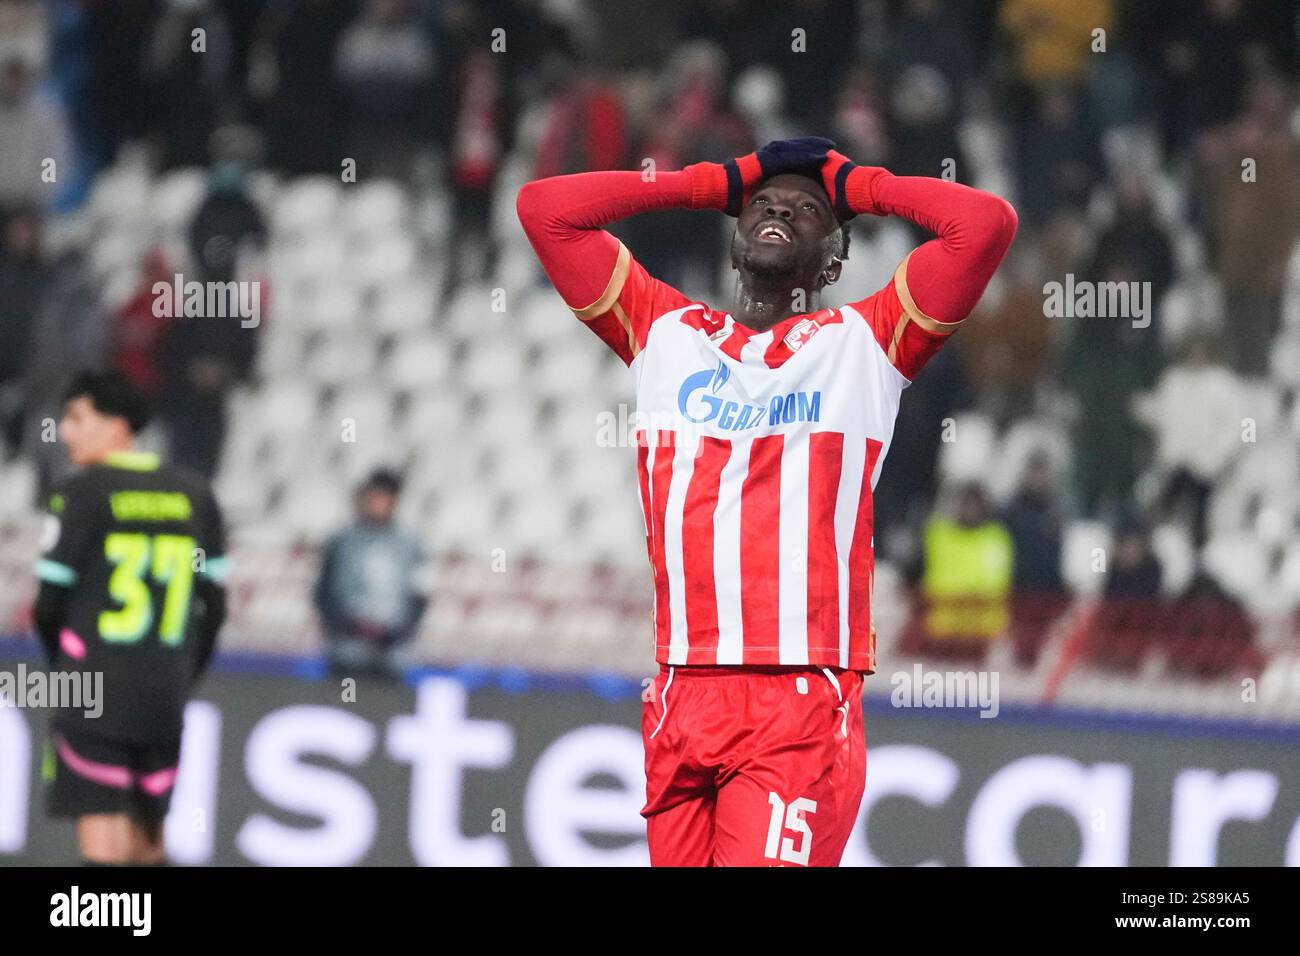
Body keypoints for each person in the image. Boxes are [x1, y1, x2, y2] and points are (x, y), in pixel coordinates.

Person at [517, 136, 1017, 866]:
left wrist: (860, 184)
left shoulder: (866, 345)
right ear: (734, 241)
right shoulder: (665, 332)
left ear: (835, 261)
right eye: (763, 205)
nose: (780, 208)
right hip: (682, 690)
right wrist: (709, 182)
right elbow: (543, 209)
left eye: (808, 209)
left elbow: (986, 225)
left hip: (797, 694)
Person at [32, 371, 227, 865]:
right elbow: (215, 607)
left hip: (94, 687)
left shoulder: (81, 495)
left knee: (103, 849)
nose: (66, 432)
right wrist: (181, 672)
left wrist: (68, 670)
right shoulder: (196, 496)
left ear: (118, 424)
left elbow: (48, 606)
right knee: (149, 842)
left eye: (77, 418)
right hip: (164, 694)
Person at [314, 468, 428, 679]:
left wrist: (396, 633)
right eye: (374, 496)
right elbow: (323, 591)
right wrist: (346, 625)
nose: (378, 503)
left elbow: (419, 597)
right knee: (347, 698)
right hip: (347, 649)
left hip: (391, 652)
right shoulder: (342, 541)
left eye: (384, 497)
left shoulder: (411, 545)